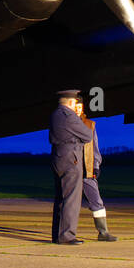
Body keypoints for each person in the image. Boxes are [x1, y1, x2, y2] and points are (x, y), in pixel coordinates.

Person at [49, 89, 93, 245]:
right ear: (70, 102)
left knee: (60, 198)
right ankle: (67, 235)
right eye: (75, 102)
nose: (76, 106)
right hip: (71, 159)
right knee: (72, 199)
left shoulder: (55, 115)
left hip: (58, 157)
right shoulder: (70, 117)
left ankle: (58, 235)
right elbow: (88, 135)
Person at [74, 99, 116, 241]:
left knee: (96, 201)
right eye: (75, 107)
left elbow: (95, 147)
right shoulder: (66, 124)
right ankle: (64, 233)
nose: (78, 109)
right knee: (67, 201)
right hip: (72, 169)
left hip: (87, 169)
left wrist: (96, 165)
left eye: (80, 107)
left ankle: (103, 232)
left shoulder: (90, 125)